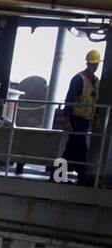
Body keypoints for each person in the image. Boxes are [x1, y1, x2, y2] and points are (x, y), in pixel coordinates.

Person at [59, 49, 101, 183]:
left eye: (96, 64)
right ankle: (82, 175)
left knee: (72, 147)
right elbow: (69, 99)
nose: (94, 66)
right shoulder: (78, 79)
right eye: (92, 64)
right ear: (88, 63)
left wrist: (95, 117)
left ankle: (59, 174)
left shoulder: (95, 81)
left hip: (85, 120)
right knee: (81, 146)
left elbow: (94, 101)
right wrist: (66, 119)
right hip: (76, 118)